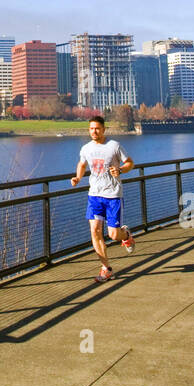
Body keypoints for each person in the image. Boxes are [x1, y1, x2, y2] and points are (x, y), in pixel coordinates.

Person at [71, 115, 135, 281]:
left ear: (104, 129)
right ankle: (106, 268)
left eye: (97, 128)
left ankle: (126, 235)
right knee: (95, 231)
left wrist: (121, 170)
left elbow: (130, 163)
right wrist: (78, 177)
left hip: (113, 196)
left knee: (113, 235)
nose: (94, 131)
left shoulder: (114, 146)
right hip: (94, 196)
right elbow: (82, 164)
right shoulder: (86, 148)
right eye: (91, 128)